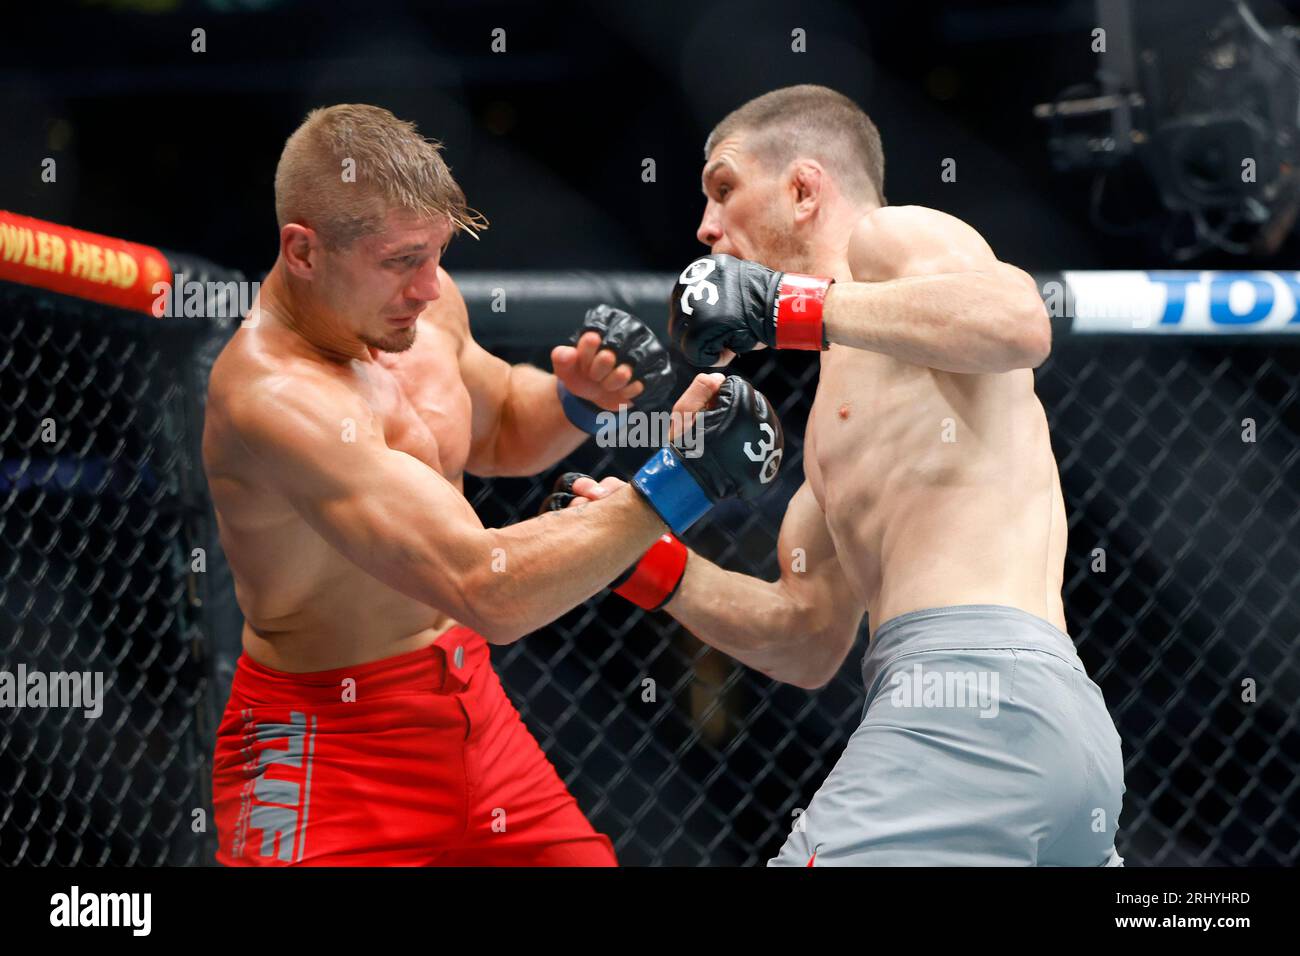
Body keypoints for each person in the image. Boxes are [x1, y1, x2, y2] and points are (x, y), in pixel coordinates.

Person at [203, 103, 784, 866]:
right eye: (399, 261)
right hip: (330, 746)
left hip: (468, 699)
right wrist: (685, 478)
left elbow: (500, 425)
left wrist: (573, 400)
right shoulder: (274, 397)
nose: (428, 286)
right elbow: (487, 588)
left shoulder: (419, 305)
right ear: (304, 252)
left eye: (437, 253)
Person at [559, 84, 1126, 866]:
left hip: (967, 701)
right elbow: (807, 641)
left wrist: (784, 306)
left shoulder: (891, 240)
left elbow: (1017, 321)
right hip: (1046, 728)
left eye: (724, 188)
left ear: (802, 188)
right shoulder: (833, 421)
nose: (705, 227)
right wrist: (645, 559)